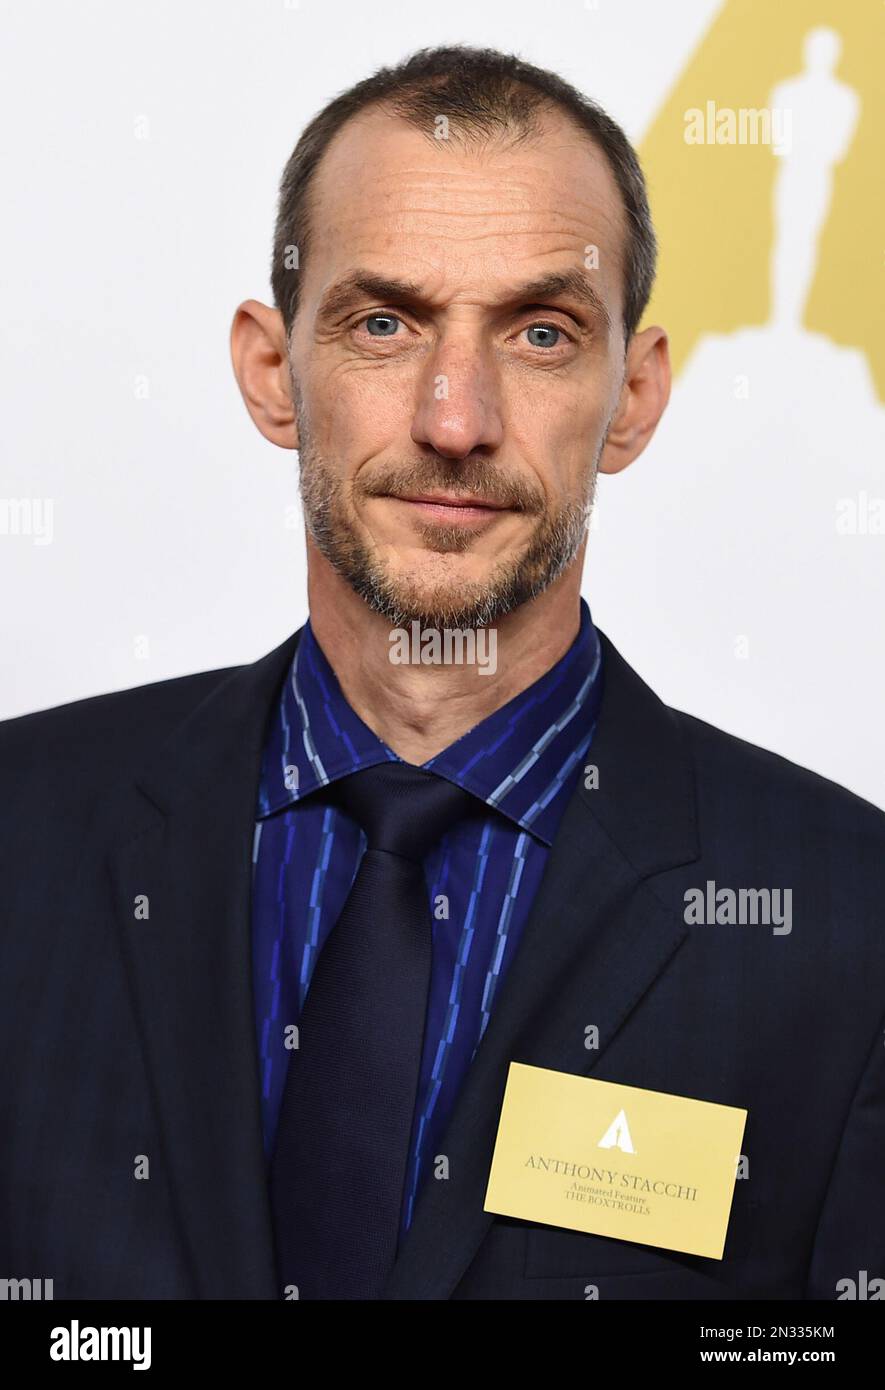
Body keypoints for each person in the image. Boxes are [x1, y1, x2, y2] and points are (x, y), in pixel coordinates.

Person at [1, 45, 883, 1302]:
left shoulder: (852, 928)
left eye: (538, 332)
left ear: (632, 398)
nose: (454, 419)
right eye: (382, 322)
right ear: (272, 373)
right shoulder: (19, 831)